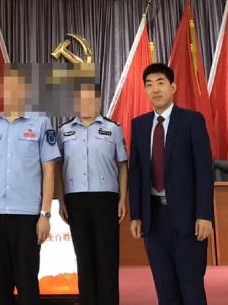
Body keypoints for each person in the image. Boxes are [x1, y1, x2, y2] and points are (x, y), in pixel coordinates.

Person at [0, 66, 61, 305]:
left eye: (17, 87)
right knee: (1, 288)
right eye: (7, 87)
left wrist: (45, 215)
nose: (12, 92)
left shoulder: (41, 123)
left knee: (28, 286)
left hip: (28, 216)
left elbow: (49, 170)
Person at [128, 63, 214, 305]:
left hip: (188, 219)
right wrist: (136, 215)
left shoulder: (191, 121)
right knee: (165, 289)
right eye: (149, 84)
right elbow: (136, 172)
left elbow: (204, 171)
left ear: (173, 87)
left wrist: (205, 215)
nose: (155, 89)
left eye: (160, 83)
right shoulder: (139, 125)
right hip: (154, 219)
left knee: (191, 288)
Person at [54, 81, 128, 305]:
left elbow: (122, 165)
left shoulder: (113, 129)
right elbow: (57, 167)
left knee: (107, 257)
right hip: (75, 200)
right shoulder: (64, 131)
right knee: (84, 257)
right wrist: (61, 200)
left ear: (98, 100)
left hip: (106, 199)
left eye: (90, 98)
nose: (85, 103)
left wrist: (122, 199)